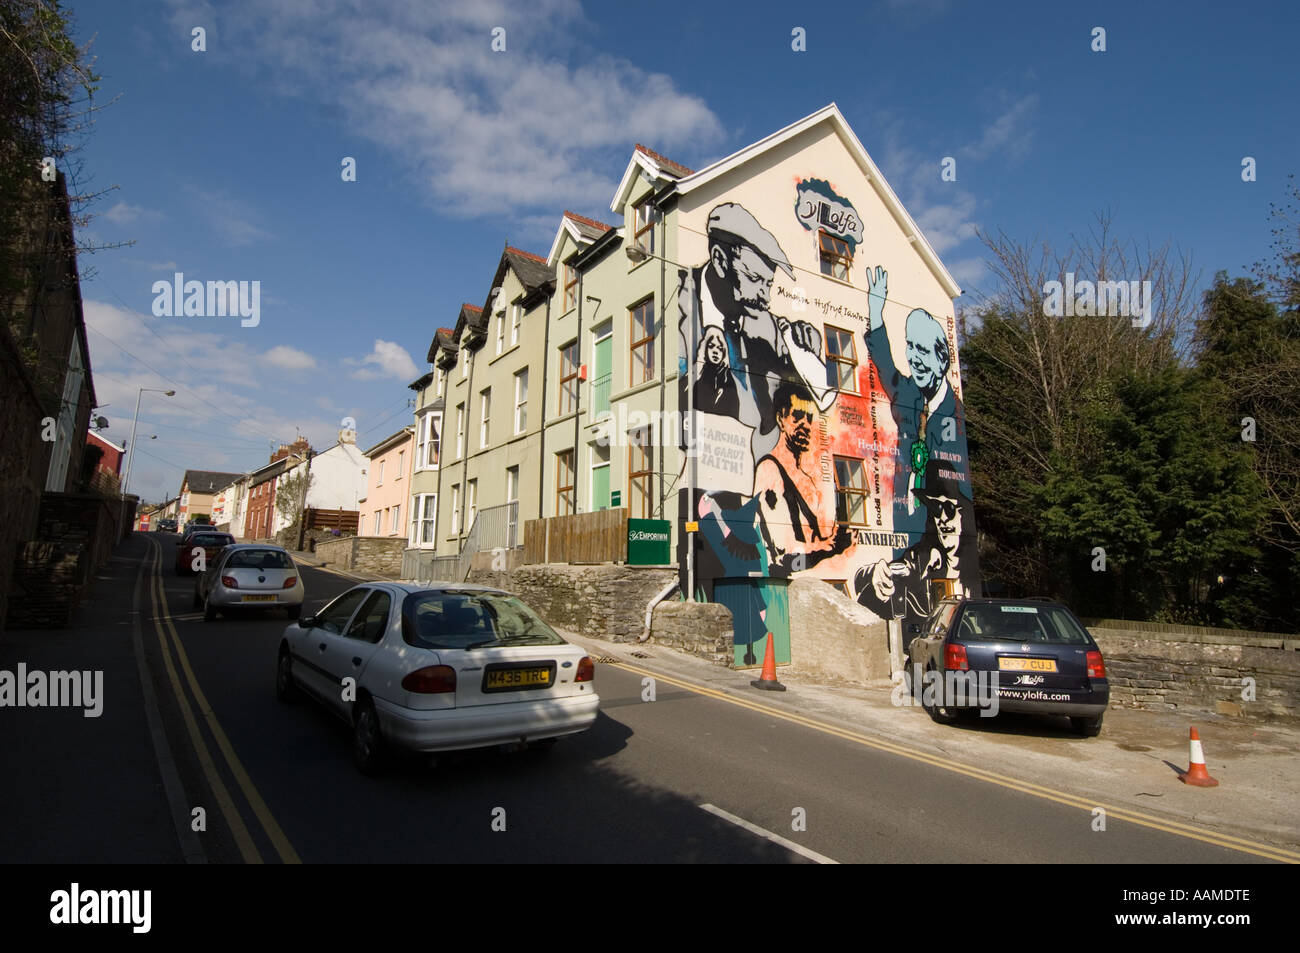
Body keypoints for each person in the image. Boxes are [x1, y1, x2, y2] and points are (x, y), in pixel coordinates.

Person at [677, 202, 836, 463]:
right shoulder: (676, 297)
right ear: (719, 259)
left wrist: (808, 351)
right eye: (754, 279)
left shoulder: (769, 327)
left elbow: (793, 400)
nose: (765, 296)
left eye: (769, 284)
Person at [862, 266, 968, 541]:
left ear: (942, 358)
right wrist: (875, 311)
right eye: (910, 346)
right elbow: (885, 365)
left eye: (922, 349)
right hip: (904, 524)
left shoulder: (953, 411)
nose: (913, 357)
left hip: (942, 529)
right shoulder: (909, 392)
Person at [853, 459, 978, 636]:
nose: (942, 518)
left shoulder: (971, 563)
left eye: (949, 508)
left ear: (962, 511)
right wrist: (874, 574)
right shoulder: (918, 556)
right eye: (936, 508)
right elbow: (878, 572)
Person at [752, 380, 851, 574]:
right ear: (781, 418)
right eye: (797, 416)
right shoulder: (769, 470)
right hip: (782, 589)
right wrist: (829, 547)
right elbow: (782, 554)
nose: (805, 425)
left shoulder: (808, 479)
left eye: (809, 417)